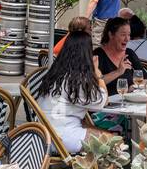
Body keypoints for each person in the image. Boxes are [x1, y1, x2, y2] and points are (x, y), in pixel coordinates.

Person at [37, 25, 107, 153]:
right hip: (62, 138)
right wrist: (98, 74)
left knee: (99, 132)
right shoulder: (76, 80)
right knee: (115, 142)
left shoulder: (55, 74)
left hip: (42, 136)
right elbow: (101, 101)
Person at [93, 16, 142, 88]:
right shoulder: (98, 55)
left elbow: (142, 78)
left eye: (128, 35)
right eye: (123, 35)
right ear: (111, 35)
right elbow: (93, 82)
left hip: (128, 98)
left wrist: (134, 87)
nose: (127, 39)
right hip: (108, 98)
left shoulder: (129, 53)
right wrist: (118, 72)